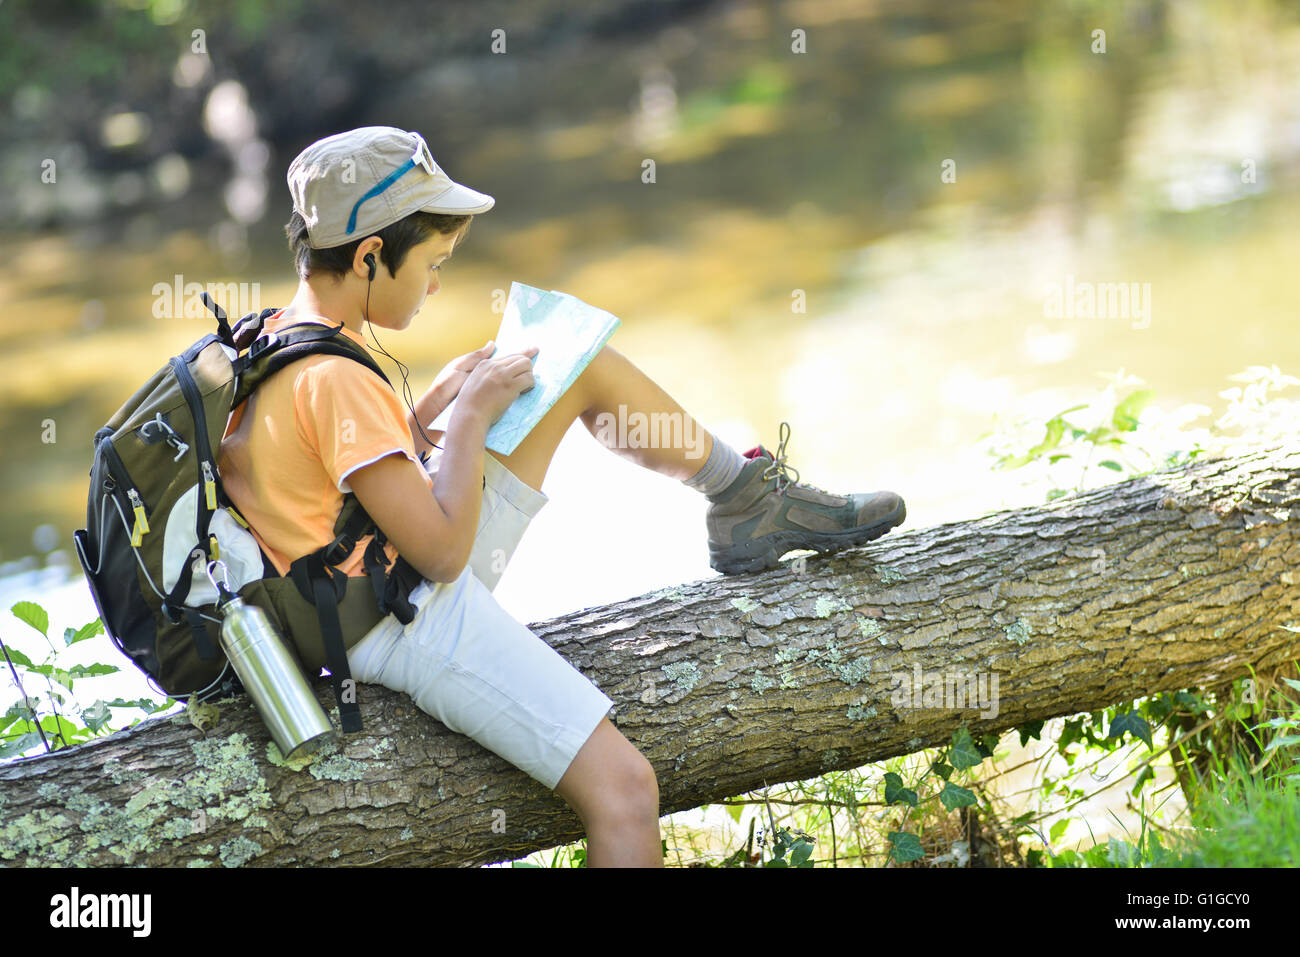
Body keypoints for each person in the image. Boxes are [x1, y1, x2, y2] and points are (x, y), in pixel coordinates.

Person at [218, 126, 906, 868]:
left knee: (573, 361)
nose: (437, 285)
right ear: (368, 255)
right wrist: (474, 414)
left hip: (368, 582)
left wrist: (437, 404)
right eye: (433, 264)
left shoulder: (280, 338)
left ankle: (742, 494)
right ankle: (745, 498)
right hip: (402, 616)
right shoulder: (338, 377)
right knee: (625, 791)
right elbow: (445, 555)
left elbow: (325, 485)